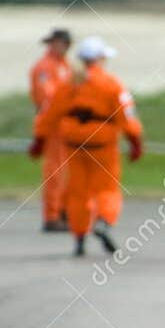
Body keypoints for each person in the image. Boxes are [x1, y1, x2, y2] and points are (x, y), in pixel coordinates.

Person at [35, 36, 143, 258]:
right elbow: (126, 112)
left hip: (74, 143)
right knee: (107, 188)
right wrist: (135, 140)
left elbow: (50, 112)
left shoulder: (68, 83)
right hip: (102, 144)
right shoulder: (112, 83)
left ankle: (79, 238)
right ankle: (103, 222)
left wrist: (39, 139)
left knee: (78, 191)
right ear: (100, 59)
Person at [27, 28, 74, 233]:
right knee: (54, 170)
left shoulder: (66, 66)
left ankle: (65, 210)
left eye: (62, 43)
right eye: (55, 43)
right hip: (52, 124)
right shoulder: (45, 67)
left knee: (69, 170)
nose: (58, 47)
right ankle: (52, 216)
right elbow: (48, 97)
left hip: (68, 124)